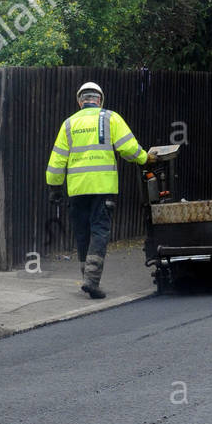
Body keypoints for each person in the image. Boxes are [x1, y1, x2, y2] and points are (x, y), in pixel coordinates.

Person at [46, 82, 152, 299]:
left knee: (82, 231)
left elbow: (57, 159)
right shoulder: (110, 118)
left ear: (79, 101)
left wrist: (55, 187)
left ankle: (87, 277)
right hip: (103, 188)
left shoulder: (69, 124)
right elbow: (128, 148)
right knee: (99, 230)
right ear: (100, 100)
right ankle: (92, 280)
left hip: (77, 189)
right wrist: (145, 158)